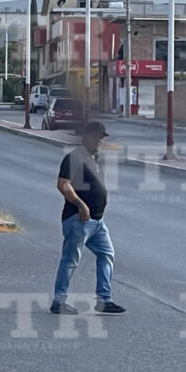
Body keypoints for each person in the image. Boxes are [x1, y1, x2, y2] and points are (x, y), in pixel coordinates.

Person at [51, 121, 124, 315]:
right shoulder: (75, 157)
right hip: (78, 219)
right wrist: (81, 204)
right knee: (71, 259)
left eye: (102, 137)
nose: (99, 140)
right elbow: (63, 184)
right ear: (85, 137)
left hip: (97, 222)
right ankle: (58, 301)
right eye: (96, 136)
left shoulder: (95, 160)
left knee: (107, 254)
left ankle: (104, 300)